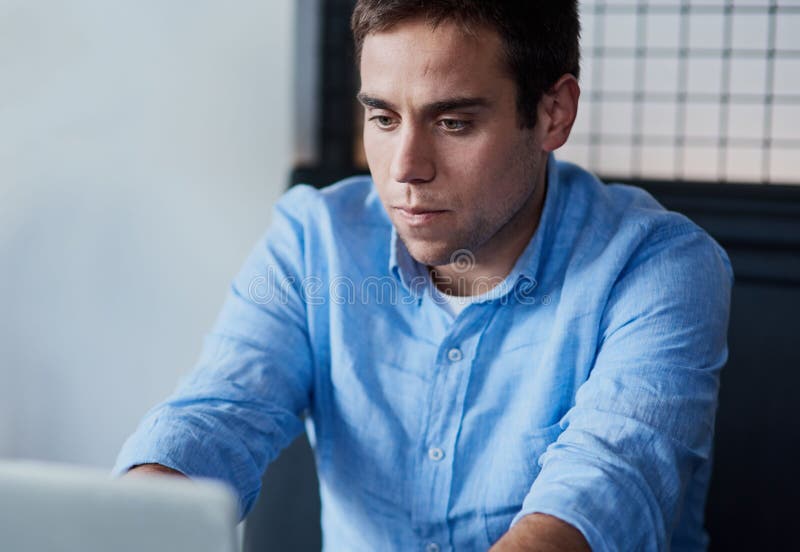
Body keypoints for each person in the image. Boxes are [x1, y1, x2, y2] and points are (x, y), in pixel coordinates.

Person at [115, 1, 733, 550]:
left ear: (553, 113)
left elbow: (604, 488)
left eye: (452, 122)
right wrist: (129, 522)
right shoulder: (313, 239)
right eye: (384, 118)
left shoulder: (658, 267)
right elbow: (220, 412)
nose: (405, 168)